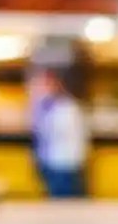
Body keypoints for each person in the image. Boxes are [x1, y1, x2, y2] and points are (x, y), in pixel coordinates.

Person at [29, 67, 88, 198]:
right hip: (50, 162)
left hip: (64, 164)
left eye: (45, 84)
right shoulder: (47, 107)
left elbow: (60, 134)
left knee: (65, 204)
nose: (41, 88)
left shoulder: (68, 108)